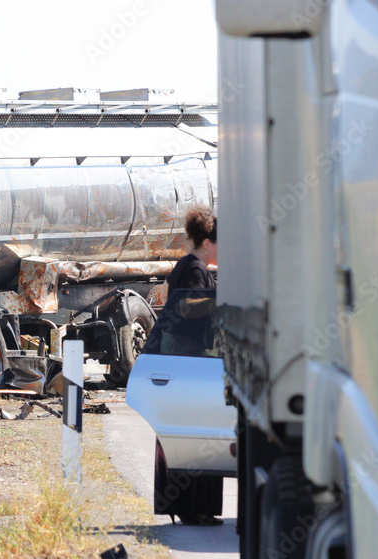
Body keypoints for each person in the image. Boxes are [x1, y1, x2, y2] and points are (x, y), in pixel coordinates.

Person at [156, 206, 223, 527]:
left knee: (184, 434)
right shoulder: (197, 270)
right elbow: (195, 315)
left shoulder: (183, 265)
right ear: (208, 241)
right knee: (202, 435)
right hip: (194, 362)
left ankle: (185, 505)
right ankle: (195, 508)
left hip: (178, 362)